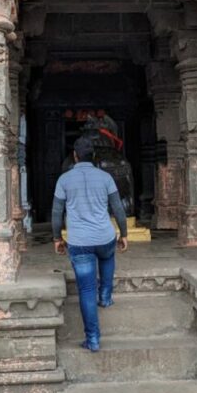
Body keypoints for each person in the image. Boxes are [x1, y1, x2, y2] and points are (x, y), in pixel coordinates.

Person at [52, 134, 128, 352]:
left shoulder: (64, 180)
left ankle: (93, 339)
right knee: (107, 256)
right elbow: (118, 208)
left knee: (86, 290)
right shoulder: (105, 177)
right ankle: (105, 296)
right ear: (93, 156)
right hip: (105, 236)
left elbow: (57, 212)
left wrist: (57, 238)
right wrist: (123, 233)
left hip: (79, 242)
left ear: (75, 156)